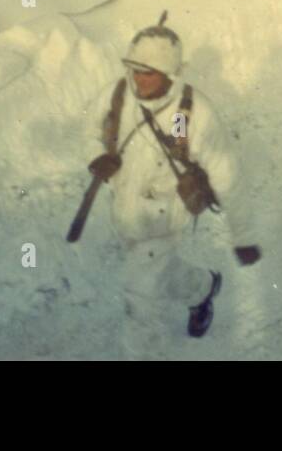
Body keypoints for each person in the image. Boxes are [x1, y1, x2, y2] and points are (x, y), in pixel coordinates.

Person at [86, 23, 260, 354]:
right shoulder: (118, 95)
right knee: (156, 273)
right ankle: (202, 288)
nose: (139, 80)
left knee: (139, 296)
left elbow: (227, 174)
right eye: (135, 70)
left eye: (149, 74)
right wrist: (96, 156)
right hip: (125, 209)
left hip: (166, 216)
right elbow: (89, 131)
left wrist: (244, 235)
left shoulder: (189, 113)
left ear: (169, 74)